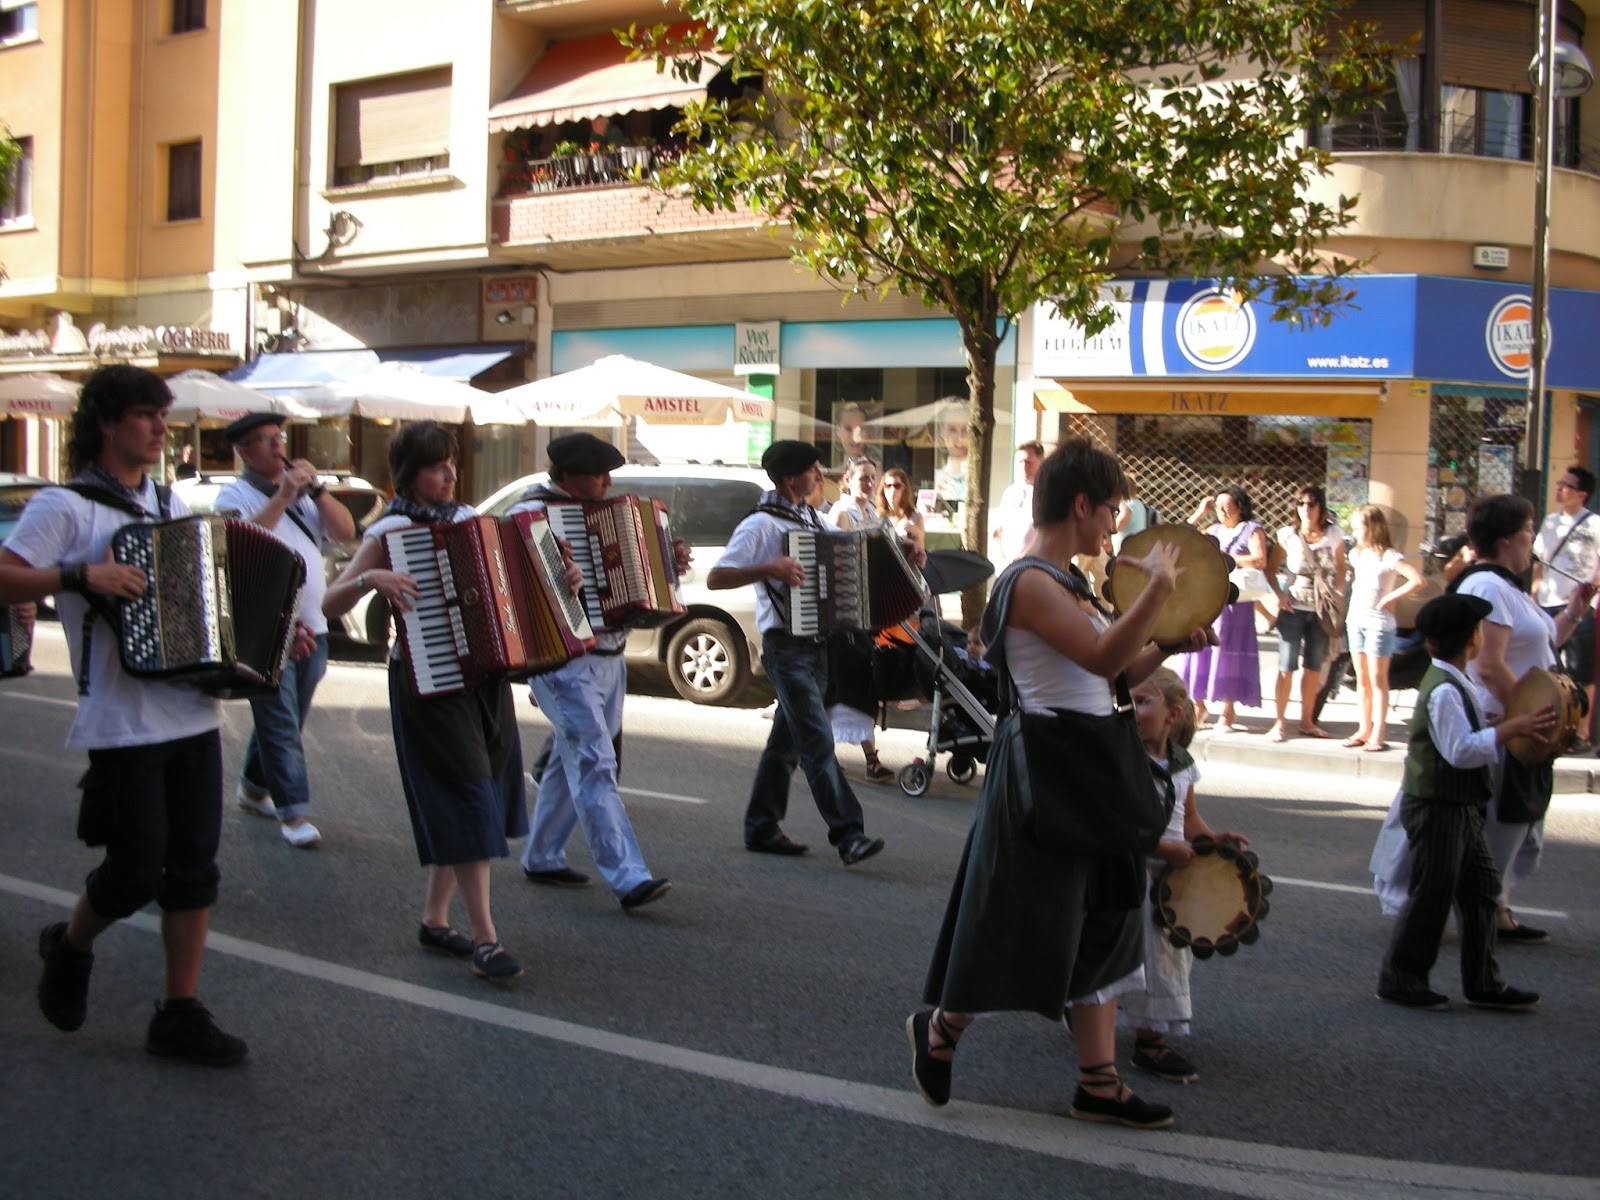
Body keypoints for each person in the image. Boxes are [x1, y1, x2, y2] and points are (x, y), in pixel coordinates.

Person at [907, 438, 1205, 1130]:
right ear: (1080, 506)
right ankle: (939, 1031)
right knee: (1023, 921)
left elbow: (1114, 676)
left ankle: (1098, 1082)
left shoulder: (1067, 581)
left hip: (1084, 769)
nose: (1114, 524)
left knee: (1106, 917)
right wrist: (1159, 589)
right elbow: (1101, 655)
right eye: (1110, 510)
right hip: (1049, 772)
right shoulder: (1029, 583)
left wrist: (1167, 644)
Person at [0, 364, 246, 1064]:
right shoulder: (67, 505)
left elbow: (205, 600)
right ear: (108, 423)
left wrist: (267, 636)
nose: (161, 427)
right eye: (145, 414)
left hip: (192, 711)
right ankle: (70, 943)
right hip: (123, 718)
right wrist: (80, 575)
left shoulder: (169, 505)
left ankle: (179, 1011)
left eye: (162, 414)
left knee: (194, 870)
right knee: (134, 872)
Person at [323, 421, 529, 980]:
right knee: (467, 796)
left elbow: (521, 584)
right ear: (410, 474)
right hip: (427, 680)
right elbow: (328, 601)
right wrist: (371, 581)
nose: (450, 474)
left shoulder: (471, 522)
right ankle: (486, 939)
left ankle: (435, 921)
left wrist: (564, 582)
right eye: (437, 466)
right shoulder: (390, 530)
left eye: (452, 463)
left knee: (475, 792)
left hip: (484, 679)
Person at [708, 439, 909, 864]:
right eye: (812, 469)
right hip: (785, 647)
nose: (820, 476)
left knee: (786, 744)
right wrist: (769, 568)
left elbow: (855, 546)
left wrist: (902, 551)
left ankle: (761, 826)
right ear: (788, 479)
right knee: (817, 739)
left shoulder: (809, 517)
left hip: (817, 646)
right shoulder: (761, 524)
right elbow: (716, 577)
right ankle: (849, 834)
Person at [506, 432, 676, 911]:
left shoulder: (612, 513)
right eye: (598, 475)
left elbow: (638, 578)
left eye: (608, 475)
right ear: (566, 476)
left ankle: (542, 856)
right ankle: (628, 876)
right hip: (564, 661)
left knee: (573, 761)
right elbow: (519, 593)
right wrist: (562, 582)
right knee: (596, 761)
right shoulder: (529, 515)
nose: (607, 484)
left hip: (610, 657)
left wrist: (669, 564)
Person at [1376, 593, 1553, 1011]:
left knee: (1482, 891)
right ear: (1472, 639)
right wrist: (1512, 729)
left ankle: (1484, 982)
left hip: (1459, 805)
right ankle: (1401, 979)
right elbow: (1460, 751)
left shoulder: (1455, 680)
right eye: (1478, 630)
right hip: (1438, 806)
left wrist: (1502, 724)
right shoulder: (1444, 690)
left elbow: (1465, 734)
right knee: (1432, 896)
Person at [1450, 493, 1592, 946]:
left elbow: (1541, 646)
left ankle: (1496, 910)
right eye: (1529, 529)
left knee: (1520, 826)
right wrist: (1532, 718)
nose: (1534, 538)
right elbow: (1489, 666)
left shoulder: (1508, 588)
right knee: (1504, 824)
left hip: (1522, 725)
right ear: (1506, 540)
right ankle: (1486, 915)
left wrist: (1574, 611)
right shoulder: (1488, 588)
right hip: (1507, 725)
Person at [217, 412, 355, 848]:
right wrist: (283, 496)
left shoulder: (306, 497)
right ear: (244, 452)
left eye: (279, 437)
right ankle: (294, 813)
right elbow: (238, 541)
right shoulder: (233, 495)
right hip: (264, 629)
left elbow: (345, 531)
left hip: (313, 625)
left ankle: (253, 786)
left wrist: (317, 491)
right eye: (265, 440)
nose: (278, 446)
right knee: (279, 720)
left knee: (289, 717)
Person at [1121, 666, 1249, 1083]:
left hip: (1172, 882)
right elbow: (1118, 825)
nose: (1131, 709)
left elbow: (1188, 816)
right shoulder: (1126, 760)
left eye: (1142, 701)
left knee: (1166, 957)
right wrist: (1161, 850)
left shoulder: (1182, 764)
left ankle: (1103, 1011)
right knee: (1152, 960)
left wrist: (1211, 842)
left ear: (1173, 714)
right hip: (1134, 873)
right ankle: (1150, 1042)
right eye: (1127, 701)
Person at [826, 455, 894, 783]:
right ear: (848, 480)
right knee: (841, 684)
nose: (868, 483)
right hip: (843, 613)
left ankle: (870, 757)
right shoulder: (841, 511)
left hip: (864, 612)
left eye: (871, 477)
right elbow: (835, 559)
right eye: (862, 477)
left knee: (862, 683)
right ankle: (832, 754)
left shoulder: (872, 514)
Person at [1180, 487, 1267, 732]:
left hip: (1235, 602)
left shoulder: (1252, 530)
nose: (1221, 510)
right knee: (1200, 648)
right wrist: (1200, 512)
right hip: (1208, 597)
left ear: (1240, 507)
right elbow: (1184, 538)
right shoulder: (1213, 530)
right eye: (1217, 506)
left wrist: (1225, 558)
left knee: (1229, 652)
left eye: (1226, 506)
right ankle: (1199, 704)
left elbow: (1259, 560)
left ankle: (1228, 709)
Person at [1343, 505, 1424, 752]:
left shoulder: (1389, 556)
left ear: (1373, 527)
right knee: (1362, 679)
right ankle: (1363, 728)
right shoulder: (1357, 554)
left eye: (1359, 528)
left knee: (1378, 680)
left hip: (1379, 624)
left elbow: (1418, 581)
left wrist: (1391, 597)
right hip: (1356, 620)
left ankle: (1378, 732)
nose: (1355, 533)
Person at [1269, 485, 1346, 743]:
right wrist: (1279, 596)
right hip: (1293, 608)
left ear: (1321, 507)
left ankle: (1307, 721)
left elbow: (1341, 568)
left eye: (1311, 504)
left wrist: (1337, 594)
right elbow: (1270, 570)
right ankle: (1279, 721)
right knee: (1286, 665)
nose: (1306, 509)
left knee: (1313, 667)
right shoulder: (1287, 535)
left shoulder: (1334, 534)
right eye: (1300, 504)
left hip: (1321, 611)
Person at [1532, 466, 1600, 745]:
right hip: (1547, 602)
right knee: (1547, 667)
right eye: (1559, 483)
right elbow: (1539, 561)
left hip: (1580, 606)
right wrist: (1534, 593)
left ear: (1581, 494)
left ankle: (1581, 732)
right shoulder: (1550, 522)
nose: (1560, 488)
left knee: (1580, 670)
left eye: (1567, 485)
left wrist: (1589, 591)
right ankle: (1552, 725)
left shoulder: (1594, 524)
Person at [989, 441, 1044, 566]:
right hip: (1005, 566)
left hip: (1031, 565)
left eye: (1029, 462)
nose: (1024, 467)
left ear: (1041, 464)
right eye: (1020, 462)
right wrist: (1001, 560)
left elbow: (1043, 535)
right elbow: (997, 532)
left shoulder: (1045, 495)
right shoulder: (1010, 493)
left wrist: (1021, 561)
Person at [876, 467, 925, 556]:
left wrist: (917, 535)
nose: (892, 490)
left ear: (904, 489)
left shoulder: (915, 517)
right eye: (888, 486)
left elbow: (921, 552)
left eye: (897, 486)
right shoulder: (877, 515)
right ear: (883, 489)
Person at [1112, 476, 1155, 556]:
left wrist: (1112, 525)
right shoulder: (1138, 504)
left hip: (1126, 552)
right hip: (1138, 548)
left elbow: (1122, 519)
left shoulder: (1125, 504)